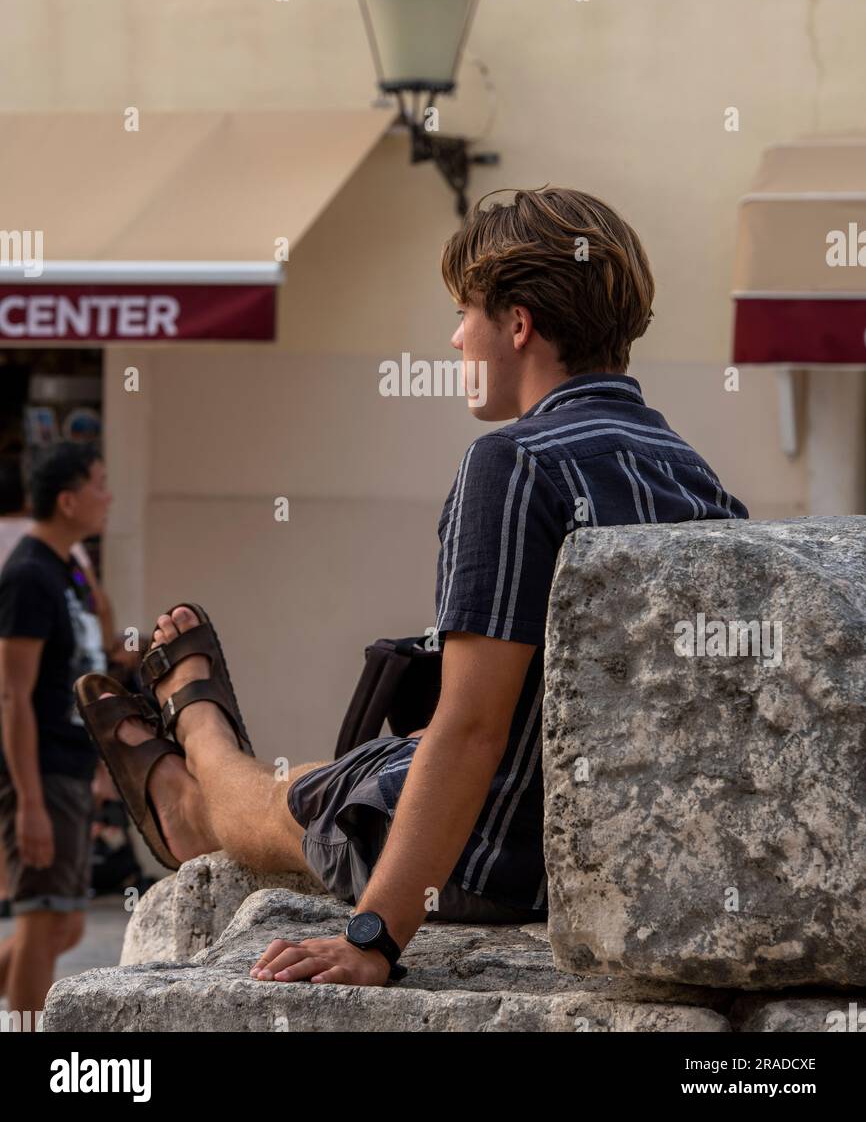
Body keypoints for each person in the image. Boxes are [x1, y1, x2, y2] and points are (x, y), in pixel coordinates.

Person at [77, 187, 748, 989]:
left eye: (466, 312)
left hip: (491, 855)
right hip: (613, 854)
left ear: (519, 324)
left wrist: (375, 937)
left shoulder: (515, 465)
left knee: (272, 804)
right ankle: (214, 774)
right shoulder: (696, 478)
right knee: (348, 769)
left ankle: (194, 778)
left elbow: (470, 731)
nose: (455, 335)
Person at [0, 442, 111, 1015]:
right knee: (42, 925)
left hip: (68, 769)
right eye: (98, 484)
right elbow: (12, 693)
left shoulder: (66, 571)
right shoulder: (28, 575)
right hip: (38, 772)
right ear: (67, 501)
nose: (108, 495)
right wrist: (29, 801)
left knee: (63, 926)